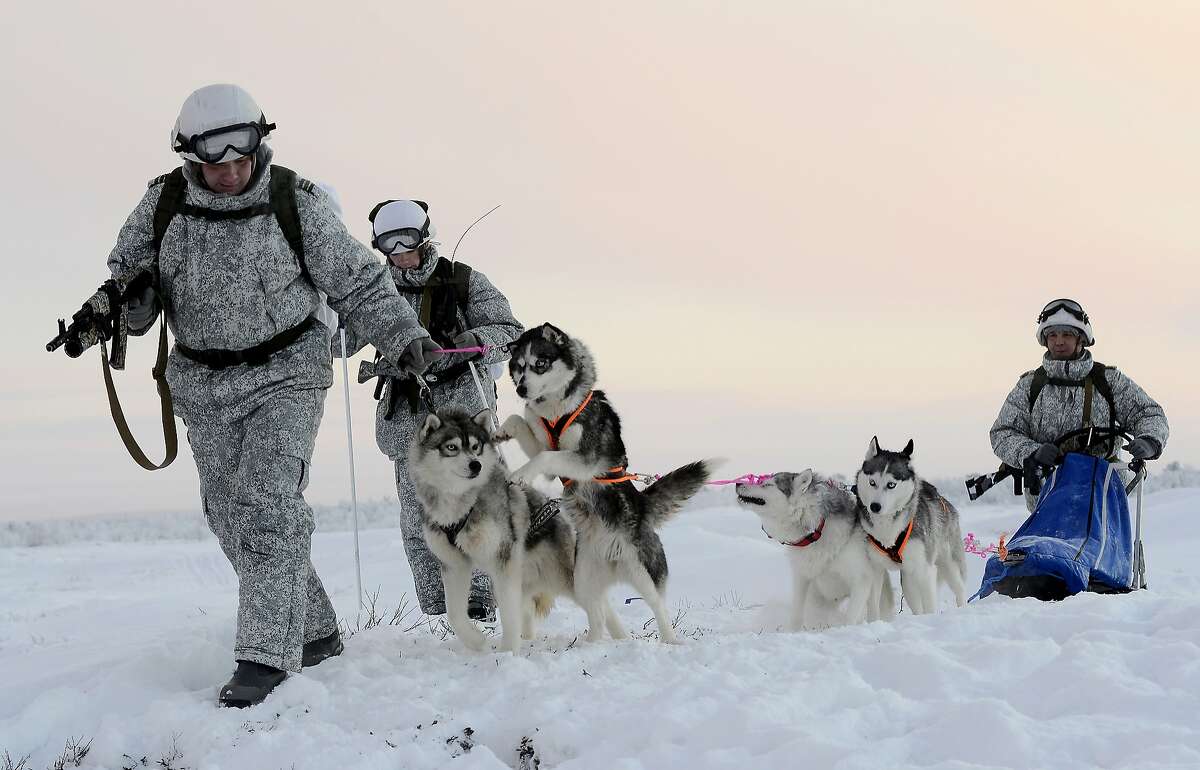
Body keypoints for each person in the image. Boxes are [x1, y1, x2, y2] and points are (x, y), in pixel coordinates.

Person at [107, 84, 440, 707]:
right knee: (230, 513)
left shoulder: (295, 199)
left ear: (260, 141)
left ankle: (264, 656)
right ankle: (312, 629)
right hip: (202, 382)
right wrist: (121, 305)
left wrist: (402, 335)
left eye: (241, 156)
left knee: (267, 494)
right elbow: (130, 276)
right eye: (215, 161)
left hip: (288, 369)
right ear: (190, 156)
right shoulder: (164, 203)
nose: (230, 171)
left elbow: (359, 280)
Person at [342, 199, 522, 618]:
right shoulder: (372, 288)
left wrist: (465, 344)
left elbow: (509, 331)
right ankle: (436, 607)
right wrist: (316, 305)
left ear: (425, 237)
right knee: (416, 515)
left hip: (463, 411)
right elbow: (340, 342)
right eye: (390, 245)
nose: (401, 253)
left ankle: (478, 602)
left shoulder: (463, 281)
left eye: (409, 242)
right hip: (407, 418)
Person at [990, 298, 1169, 510]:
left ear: (1081, 339)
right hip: (1047, 503)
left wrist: (1149, 441)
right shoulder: (1029, 385)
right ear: (1045, 339)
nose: (1059, 341)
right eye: (1053, 335)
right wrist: (1032, 452)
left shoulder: (1109, 381)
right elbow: (1002, 433)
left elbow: (1149, 414)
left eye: (1067, 334)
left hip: (1104, 499)